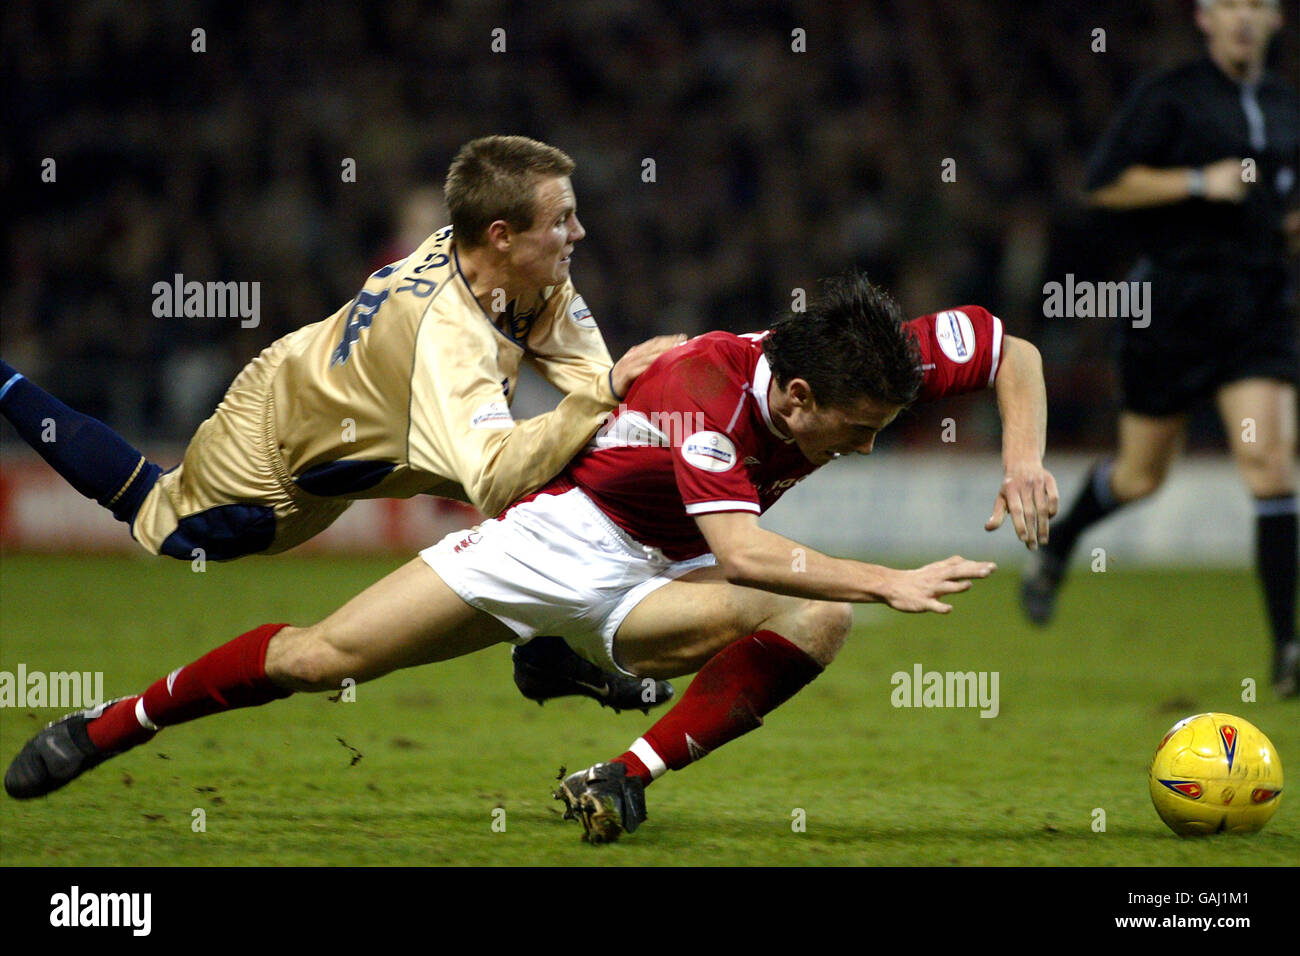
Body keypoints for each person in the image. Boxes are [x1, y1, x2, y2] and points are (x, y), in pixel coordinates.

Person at [6, 273, 1058, 844]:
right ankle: (104, 726)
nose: (863, 444)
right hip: (561, 542)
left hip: (657, 570)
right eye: (856, 429)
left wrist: (1021, 465)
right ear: (793, 400)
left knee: (811, 622)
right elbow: (744, 548)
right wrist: (887, 579)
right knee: (315, 661)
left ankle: (622, 770)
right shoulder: (704, 396)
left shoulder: (869, 357)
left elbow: (1015, 352)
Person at [0, 135, 682, 713]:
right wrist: (605, 404)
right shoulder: (446, 340)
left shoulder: (520, 270)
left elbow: (603, 397)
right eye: (563, 218)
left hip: (329, 392)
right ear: (502, 236)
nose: (579, 232)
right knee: (158, 510)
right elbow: (498, 476)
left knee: (570, 456)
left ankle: (546, 653)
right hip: (268, 463)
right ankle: (4, 381)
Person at [1020, 0, 1299, 697]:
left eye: (1258, 4)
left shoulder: (1286, 105)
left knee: (1269, 465)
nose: (1244, 17)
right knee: (1143, 476)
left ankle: (1288, 649)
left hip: (1258, 309)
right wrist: (1201, 180)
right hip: (1171, 309)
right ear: (1205, 17)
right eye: (1230, 3)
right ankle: (1062, 540)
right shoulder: (1171, 95)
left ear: (1276, 20)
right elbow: (1103, 185)